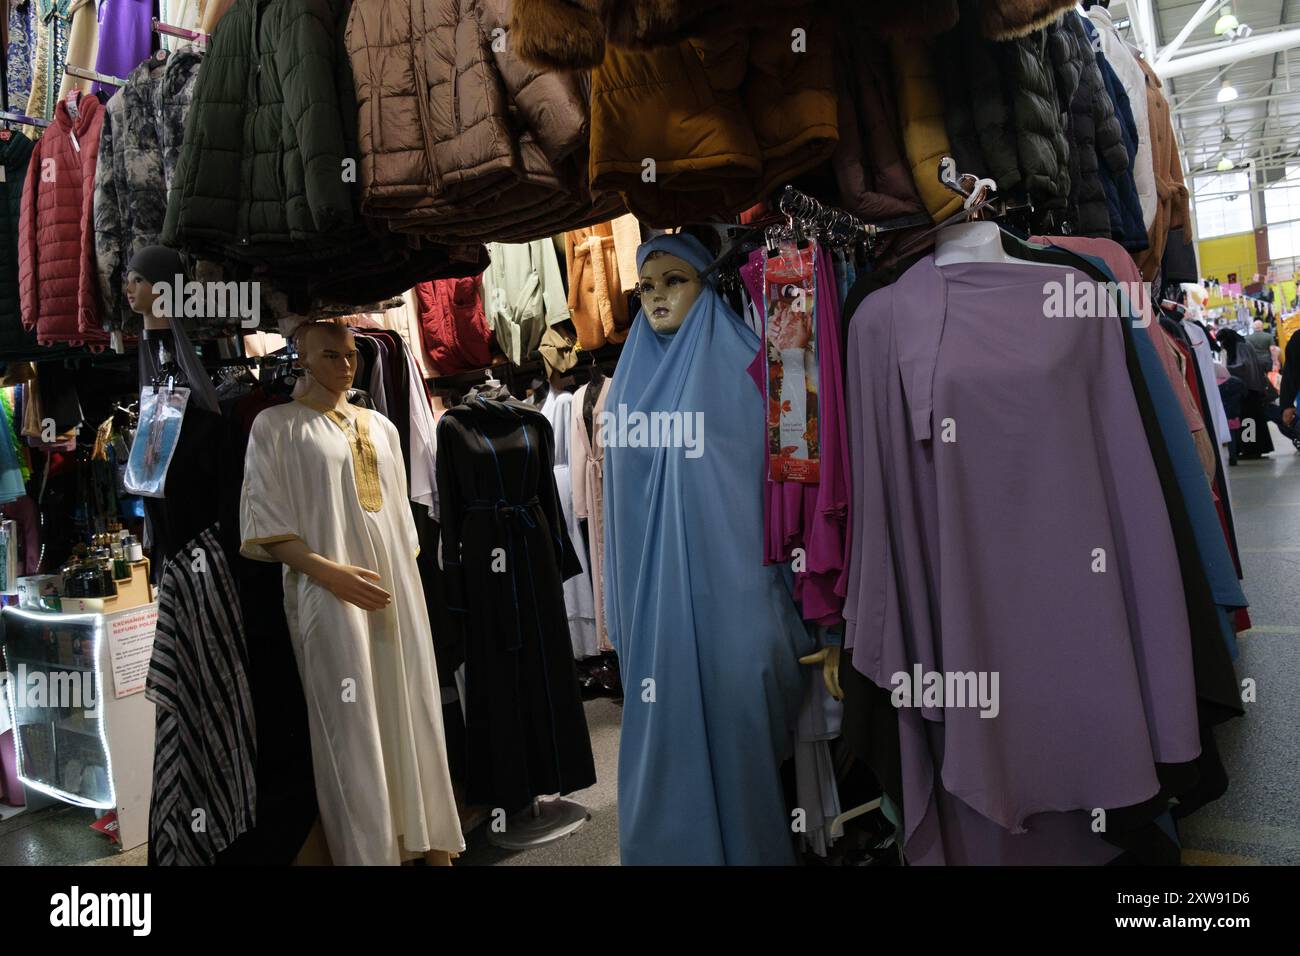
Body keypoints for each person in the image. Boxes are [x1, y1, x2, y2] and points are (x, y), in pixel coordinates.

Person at [1219, 327, 1277, 460]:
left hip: (1249, 390)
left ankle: (1251, 450)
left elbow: (1244, 366)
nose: (1222, 344)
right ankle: (1252, 449)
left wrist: (1225, 370)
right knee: (1251, 419)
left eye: (1223, 341)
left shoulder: (1241, 347)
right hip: (1250, 389)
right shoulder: (1241, 345)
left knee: (1248, 420)